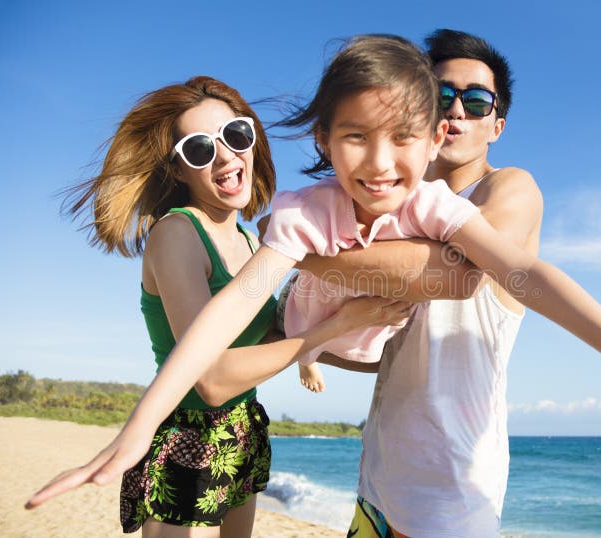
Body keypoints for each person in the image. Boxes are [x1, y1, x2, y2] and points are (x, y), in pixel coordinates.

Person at [28, 35, 601, 532]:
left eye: (404, 136)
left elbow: (524, 273)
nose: (381, 164)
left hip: (446, 482)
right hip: (375, 462)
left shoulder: (446, 205)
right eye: (356, 137)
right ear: (324, 140)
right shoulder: (302, 213)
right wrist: (136, 432)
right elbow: (230, 311)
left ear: (437, 135)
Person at [289, 30, 601, 538]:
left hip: (450, 486)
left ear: (496, 125)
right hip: (379, 476)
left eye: (477, 101)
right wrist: (309, 339)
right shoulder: (395, 210)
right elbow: (386, 350)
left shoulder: (507, 188)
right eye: (441, 94)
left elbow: (466, 274)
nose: (456, 110)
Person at [28, 75, 414, 537]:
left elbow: (276, 339)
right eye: (199, 149)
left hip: (243, 429)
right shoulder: (178, 233)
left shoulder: (251, 241)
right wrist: (332, 329)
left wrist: (380, 342)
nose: (226, 156)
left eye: (235, 135)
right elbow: (210, 381)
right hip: (189, 436)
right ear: (178, 169)